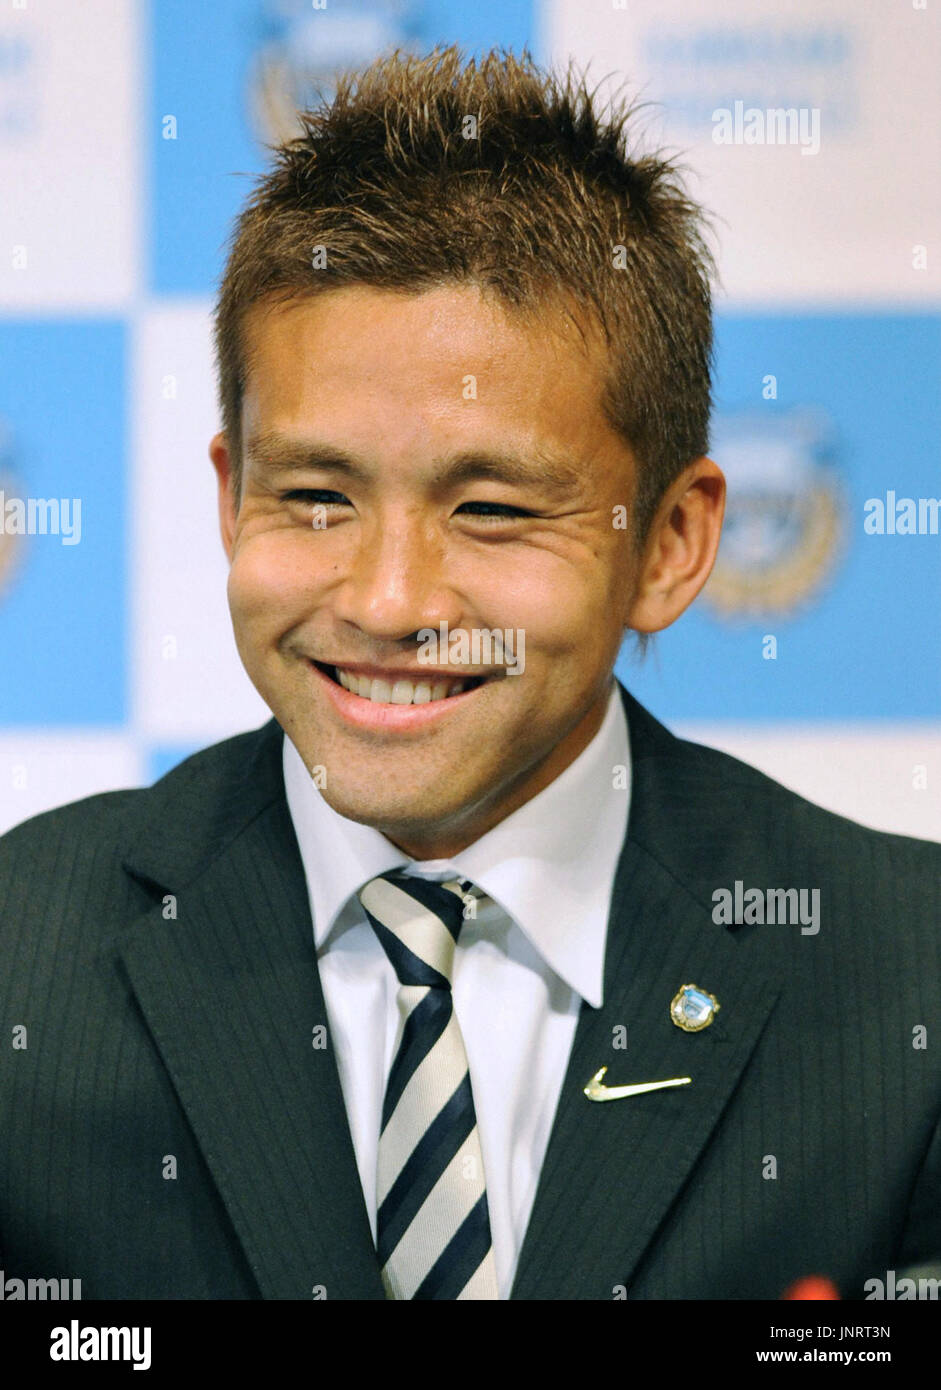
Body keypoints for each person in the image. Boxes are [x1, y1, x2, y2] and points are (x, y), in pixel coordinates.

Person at [1, 47, 938, 1302]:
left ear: (668, 543)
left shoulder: (904, 977)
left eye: (491, 509)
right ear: (230, 500)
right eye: (317, 496)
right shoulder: (22, 954)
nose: (389, 602)